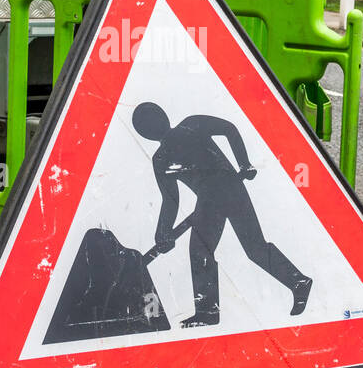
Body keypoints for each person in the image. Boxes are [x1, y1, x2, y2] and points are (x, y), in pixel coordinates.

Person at [132, 102, 312, 328]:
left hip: (224, 188)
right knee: (252, 248)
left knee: (209, 251)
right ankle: (298, 282)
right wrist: (163, 232)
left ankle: (208, 312)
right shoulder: (163, 156)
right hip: (214, 196)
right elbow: (170, 200)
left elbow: (229, 129)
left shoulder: (190, 126)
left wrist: (244, 163)